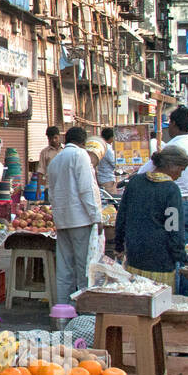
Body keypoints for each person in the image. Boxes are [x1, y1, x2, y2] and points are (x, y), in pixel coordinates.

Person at [138, 106, 188, 296]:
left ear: (174, 124)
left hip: (170, 207)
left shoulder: (172, 148)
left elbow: (144, 172)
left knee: (171, 258)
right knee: (184, 257)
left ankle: (173, 304)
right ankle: (185, 301)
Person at [113, 145, 188, 289]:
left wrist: (118, 244)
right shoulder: (171, 189)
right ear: (172, 166)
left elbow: (121, 217)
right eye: (181, 169)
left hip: (135, 256)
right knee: (159, 304)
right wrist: (183, 257)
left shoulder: (135, 182)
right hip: (161, 260)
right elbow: (173, 229)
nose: (180, 175)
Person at [46, 127, 102, 305]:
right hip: (81, 220)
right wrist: (96, 217)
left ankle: (63, 307)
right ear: (83, 142)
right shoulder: (81, 156)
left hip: (62, 220)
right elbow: (87, 190)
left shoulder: (55, 160)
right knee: (84, 268)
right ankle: (83, 308)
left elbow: (51, 194)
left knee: (64, 269)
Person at [38, 127, 63, 199]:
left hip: (64, 187)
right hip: (50, 187)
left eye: (55, 138)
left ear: (59, 136)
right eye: (51, 139)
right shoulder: (44, 152)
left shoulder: (66, 150)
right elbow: (41, 170)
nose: (53, 140)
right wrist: (38, 188)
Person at [96, 127, 118, 196]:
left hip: (101, 176)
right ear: (111, 137)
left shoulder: (100, 146)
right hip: (107, 179)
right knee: (111, 200)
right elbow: (115, 163)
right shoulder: (107, 148)